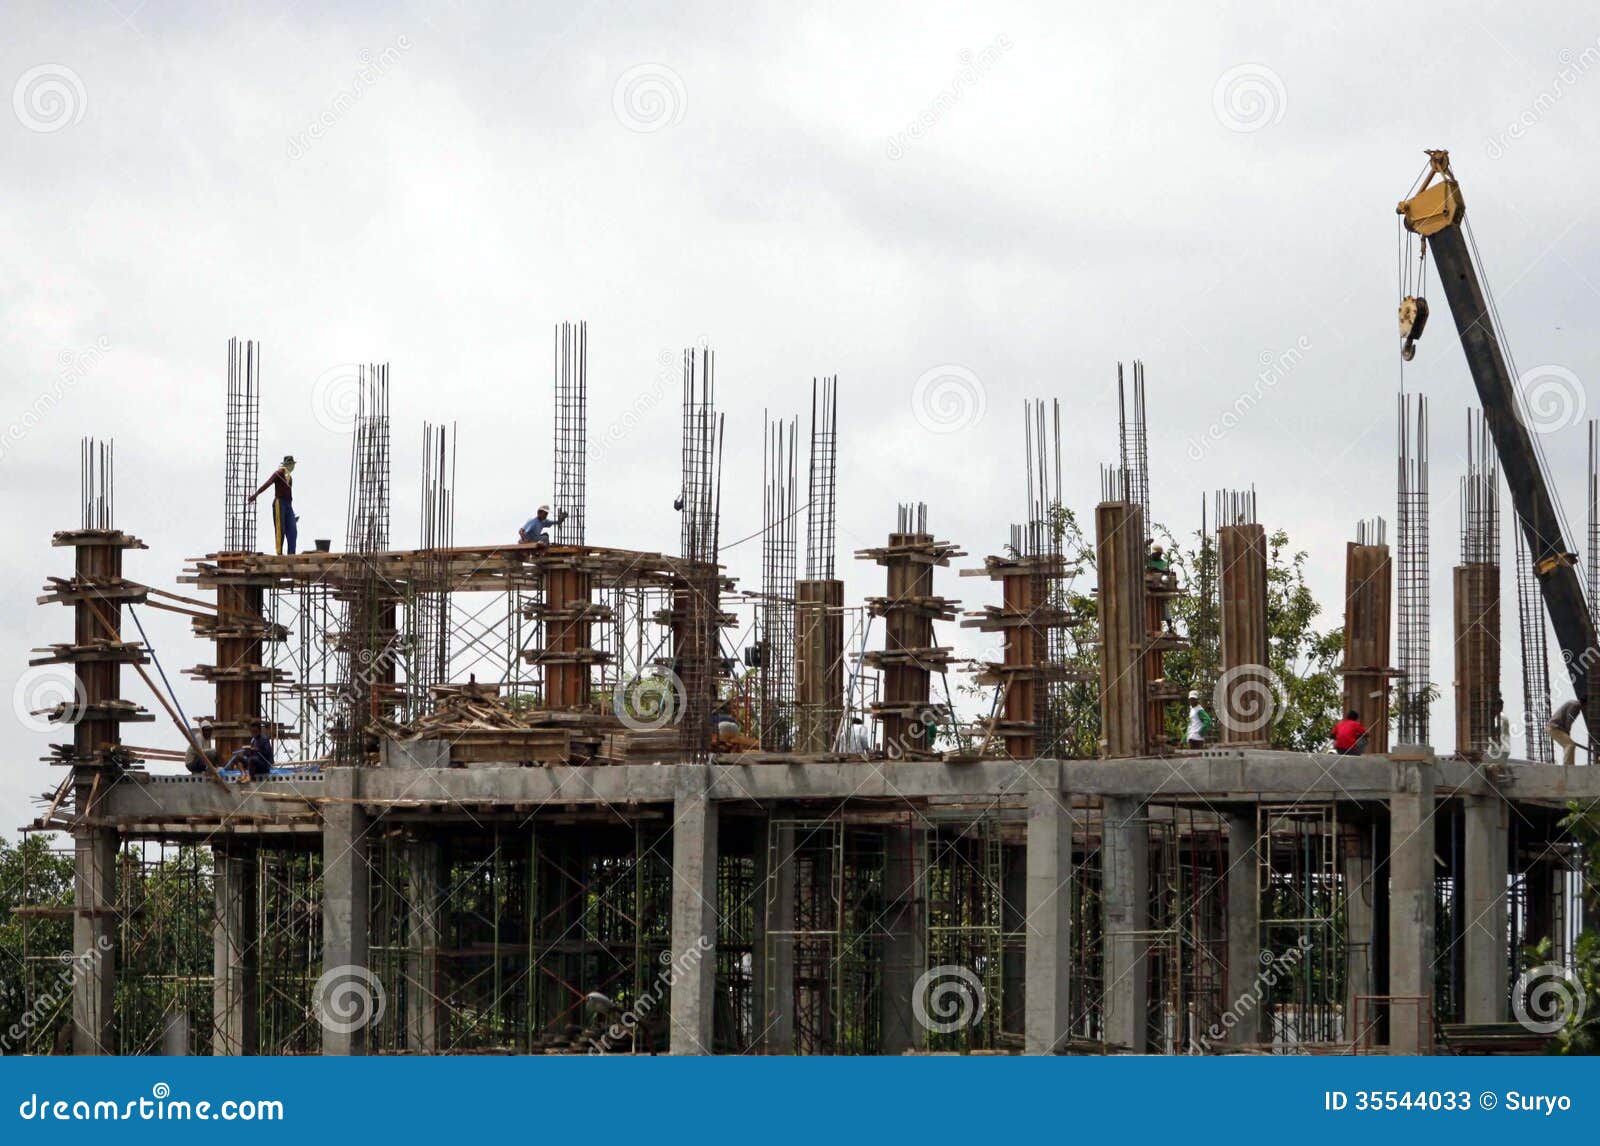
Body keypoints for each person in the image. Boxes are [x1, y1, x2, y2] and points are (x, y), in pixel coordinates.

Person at [248, 455, 298, 555]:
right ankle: (279, 553)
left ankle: (291, 554)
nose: (292, 466)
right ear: (286, 465)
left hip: (288, 505)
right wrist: (256, 494)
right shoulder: (278, 474)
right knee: (280, 529)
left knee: (293, 530)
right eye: (290, 464)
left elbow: (289, 494)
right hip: (279, 503)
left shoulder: (290, 478)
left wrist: (291, 515)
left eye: (293, 464)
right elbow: (267, 484)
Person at [1547, 697, 1586, 767]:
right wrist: (1568, 732)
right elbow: (1569, 720)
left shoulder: (1572, 702)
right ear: (1585, 704)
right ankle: (1567, 766)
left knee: (1568, 745)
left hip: (1554, 727)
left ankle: (1569, 765)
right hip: (1555, 728)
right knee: (1570, 745)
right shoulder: (1576, 706)